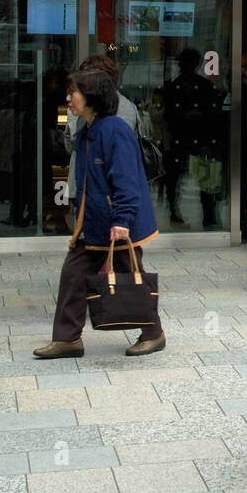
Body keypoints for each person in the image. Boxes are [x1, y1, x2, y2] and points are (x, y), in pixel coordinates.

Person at [33, 70, 164, 359]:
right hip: (92, 222)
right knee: (73, 275)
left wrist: (122, 220)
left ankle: (154, 334)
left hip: (114, 223)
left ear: (92, 97)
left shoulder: (114, 129)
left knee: (131, 274)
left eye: (73, 92)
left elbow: (127, 180)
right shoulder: (86, 127)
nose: (68, 98)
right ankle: (67, 339)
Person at [65, 53, 143, 206]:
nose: (70, 97)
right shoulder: (79, 108)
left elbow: (120, 160)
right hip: (85, 187)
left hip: (110, 192)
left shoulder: (122, 112)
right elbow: (72, 143)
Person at [163, 48, 226, 229]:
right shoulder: (176, 86)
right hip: (186, 136)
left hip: (195, 136)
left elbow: (212, 112)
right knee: (184, 176)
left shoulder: (196, 85)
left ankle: (207, 213)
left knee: (197, 176)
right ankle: (204, 214)